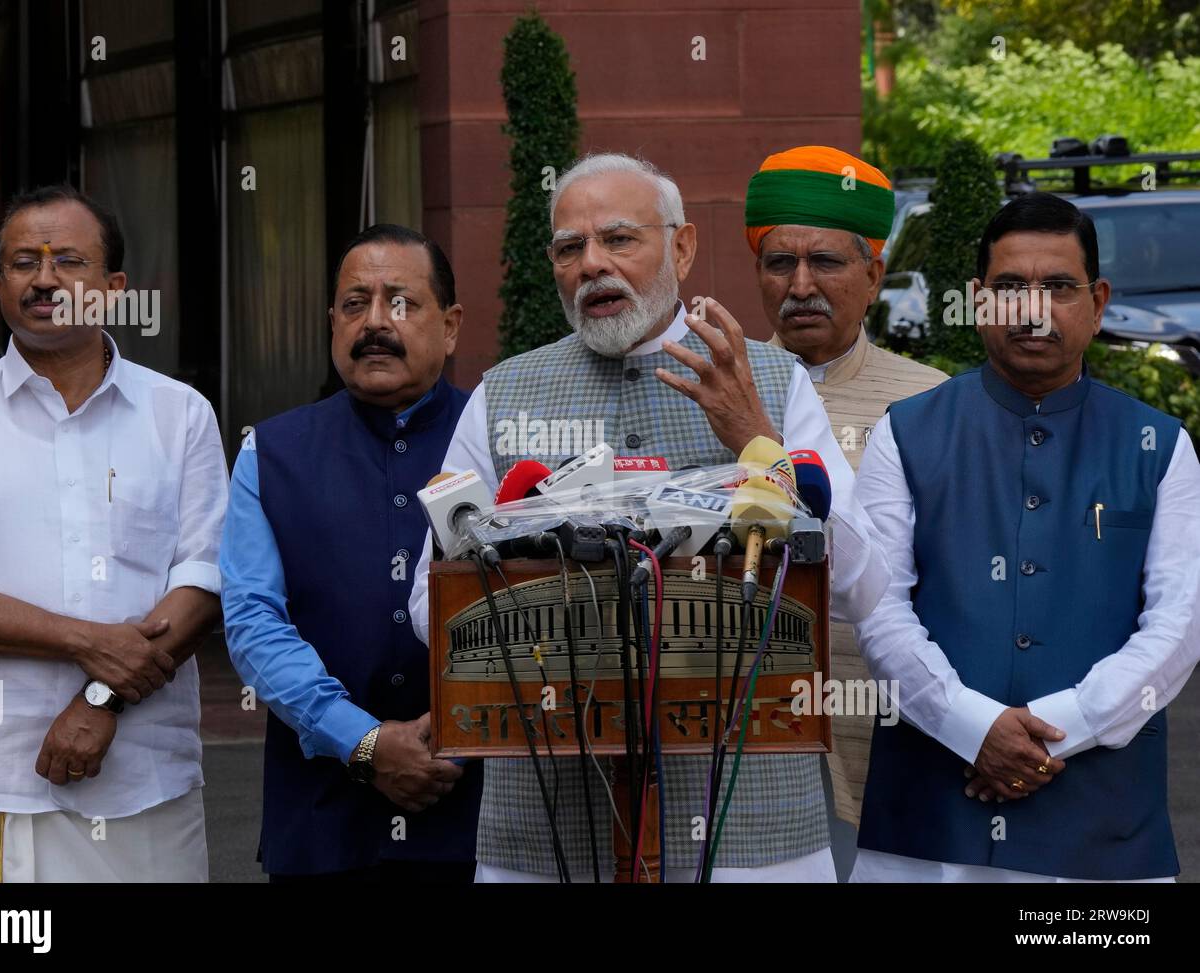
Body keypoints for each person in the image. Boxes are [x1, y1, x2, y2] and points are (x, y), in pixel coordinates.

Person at [410, 153, 891, 882]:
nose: (592, 265)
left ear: (683, 247)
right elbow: (428, 600)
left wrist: (756, 439)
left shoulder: (772, 381)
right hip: (550, 826)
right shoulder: (502, 393)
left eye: (619, 239)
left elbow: (864, 584)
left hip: (751, 822)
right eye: (570, 248)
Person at [851, 192, 1200, 881]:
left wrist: (1051, 730)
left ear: (1097, 303)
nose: (1033, 308)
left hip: (1102, 823)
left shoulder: (1158, 445)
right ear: (979, 300)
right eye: (1010, 287)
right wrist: (972, 728)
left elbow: (1178, 626)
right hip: (927, 820)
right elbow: (877, 606)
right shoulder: (906, 433)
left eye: (1059, 287)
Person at [0, 184, 227, 882]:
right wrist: (88, 641)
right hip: (0, 781)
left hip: (149, 778)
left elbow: (203, 583)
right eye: (23, 262)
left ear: (112, 286)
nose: (44, 278)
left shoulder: (180, 416)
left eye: (68, 261)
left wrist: (99, 697)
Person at [221, 223, 482, 883]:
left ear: (450, 326)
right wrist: (363, 744)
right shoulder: (272, 452)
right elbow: (253, 621)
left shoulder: (494, 438)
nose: (375, 322)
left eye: (401, 302)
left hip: (480, 823)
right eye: (354, 304)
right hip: (322, 828)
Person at [745, 145, 948, 827]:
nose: (801, 285)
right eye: (780, 263)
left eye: (826, 262)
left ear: (874, 274)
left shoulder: (933, 402)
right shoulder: (715, 390)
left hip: (897, 739)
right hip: (752, 749)